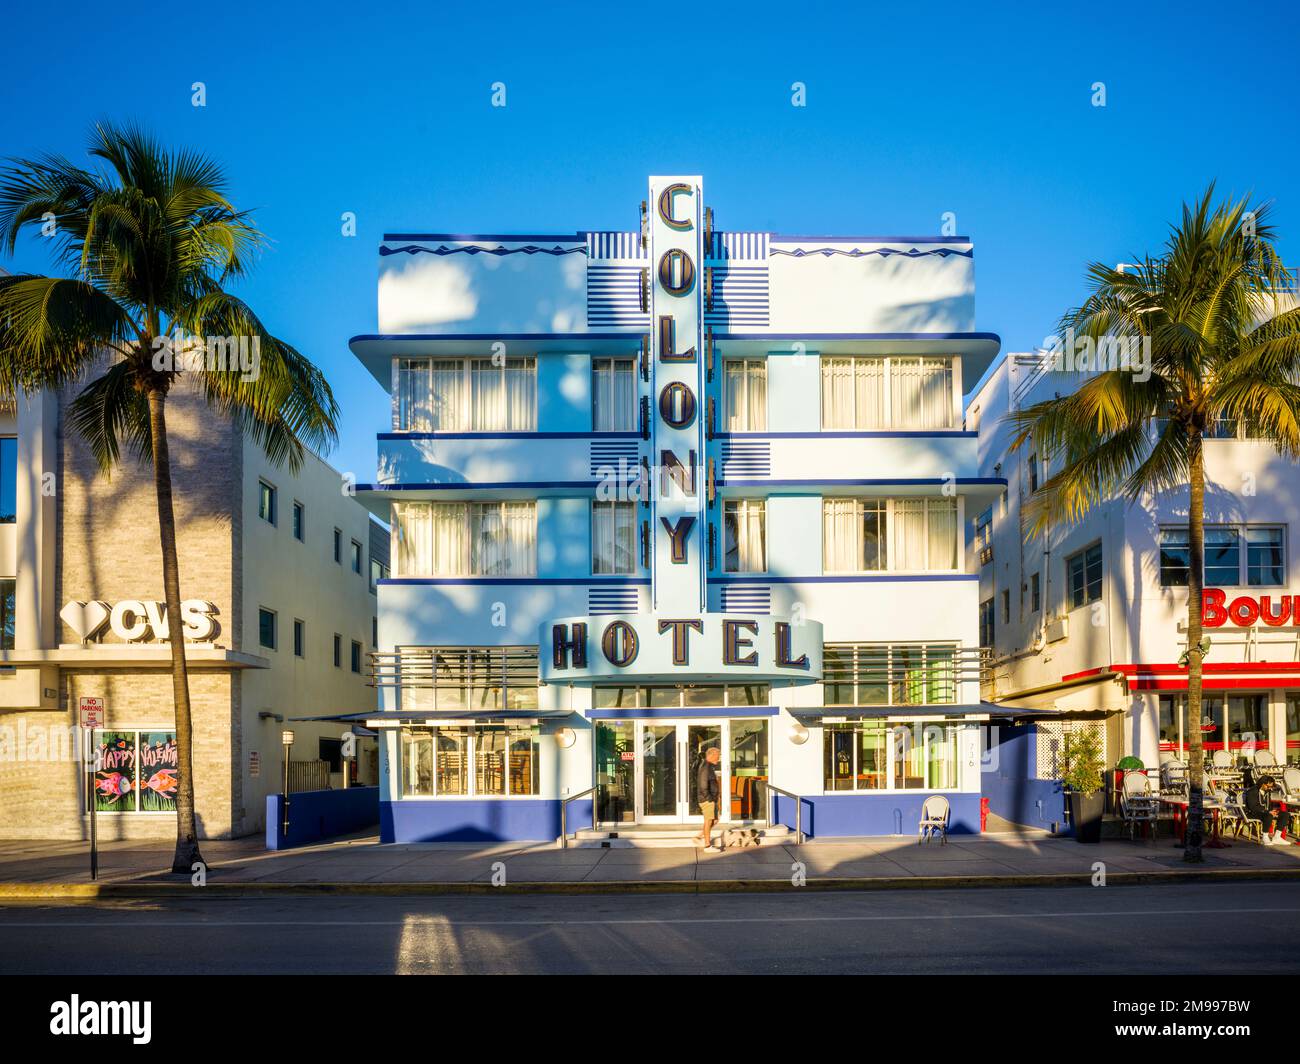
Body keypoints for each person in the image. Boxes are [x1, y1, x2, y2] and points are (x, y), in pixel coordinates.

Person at [1243, 774, 1286, 844]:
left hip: (1265, 812)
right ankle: (1265, 837)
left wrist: (1272, 810)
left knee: (1285, 814)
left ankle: (1277, 837)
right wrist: (1267, 811)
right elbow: (1252, 807)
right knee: (1268, 815)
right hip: (1252, 813)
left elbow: (1269, 804)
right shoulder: (1252, 791)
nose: (1269, 788)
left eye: (1271, 787)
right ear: (1262, 783)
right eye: (1268, 786)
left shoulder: (1267, 791)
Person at [694, 747, 722, 850]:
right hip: (707, 799)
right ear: (711, 755)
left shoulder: (709, 766)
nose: (719, 758)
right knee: (709, 820)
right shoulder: (705, 766)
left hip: (711, 799)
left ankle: (699, 836)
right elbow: (703, 785)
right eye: (718, 756)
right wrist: (709, 798)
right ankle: (707, 845)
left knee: (715, 820)